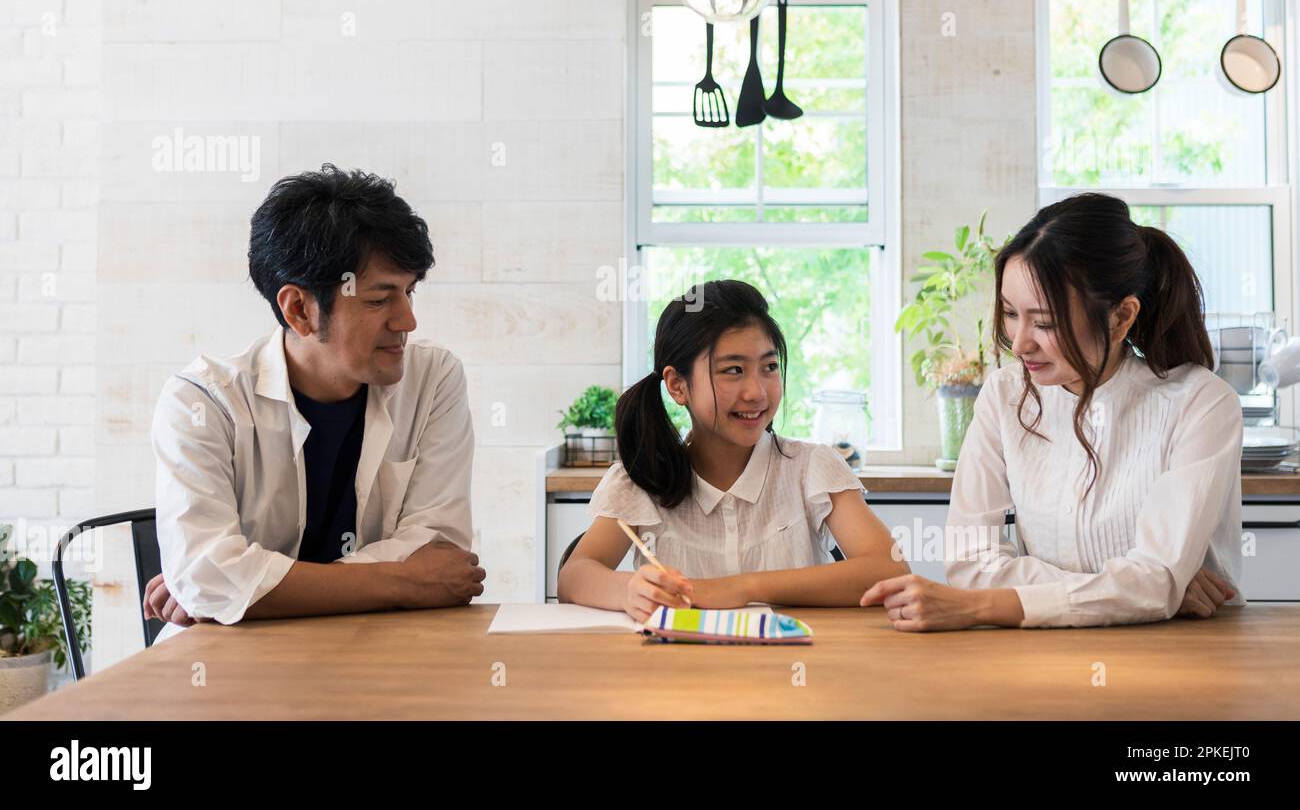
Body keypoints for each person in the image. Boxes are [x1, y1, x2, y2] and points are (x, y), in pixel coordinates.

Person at [862, 193, 1244, 630]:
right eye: (1009, 314)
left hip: (1186, 652)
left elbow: (1154, 579)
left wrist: (1153, 588)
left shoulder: (1200, 404)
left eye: (1044, 322)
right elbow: (970, 563)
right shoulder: (1005, 396)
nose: (1019, 342)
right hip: (1046, 652)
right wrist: (1141, 591)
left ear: (1121, 317)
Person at [144, 165, 484, 637]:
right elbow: (209, 579)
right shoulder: (202, 402)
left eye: (408, 292)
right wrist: (404, 580)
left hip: (379, 649)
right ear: (299, 309)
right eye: (379, 300)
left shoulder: (434, 379)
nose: (408, 321)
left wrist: (247, 589)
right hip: (232, 668)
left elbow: (440, 554)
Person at [559, 279, 907, 621]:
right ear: (678, 386)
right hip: (677, 671)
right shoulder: (642, 477)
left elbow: (889, 568)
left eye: (769, 367)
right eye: (733, 371)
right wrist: (629, 590)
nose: (756, 391)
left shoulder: (811, 467)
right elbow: (574, 576)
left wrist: (743, 587)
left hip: (795, 668)